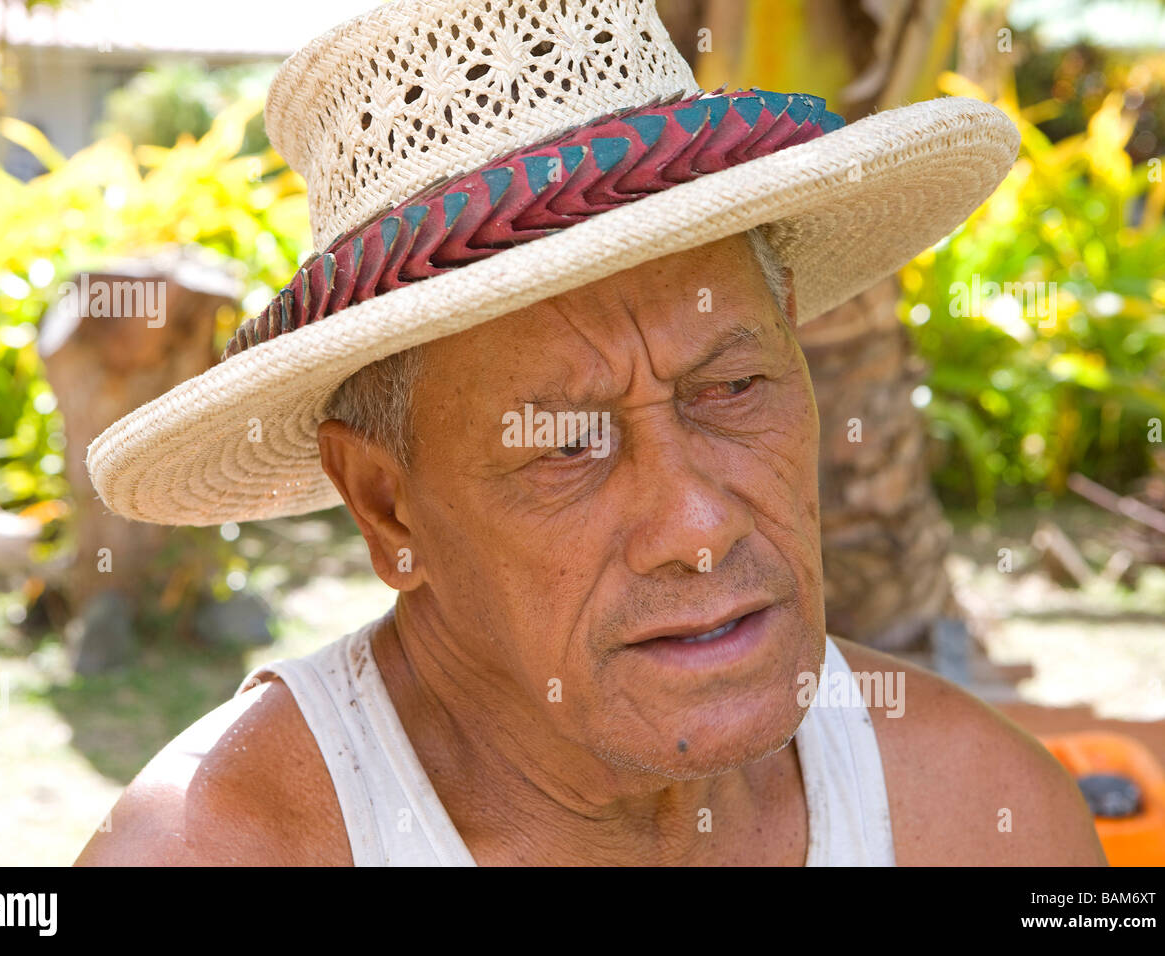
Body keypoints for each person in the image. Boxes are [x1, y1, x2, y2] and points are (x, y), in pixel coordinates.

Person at [76, 0, 1105, 866]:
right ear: (385, 504)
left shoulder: (980, 819)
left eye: (736, 384)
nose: (695, 523)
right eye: (564, 444)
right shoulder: (219, 851)